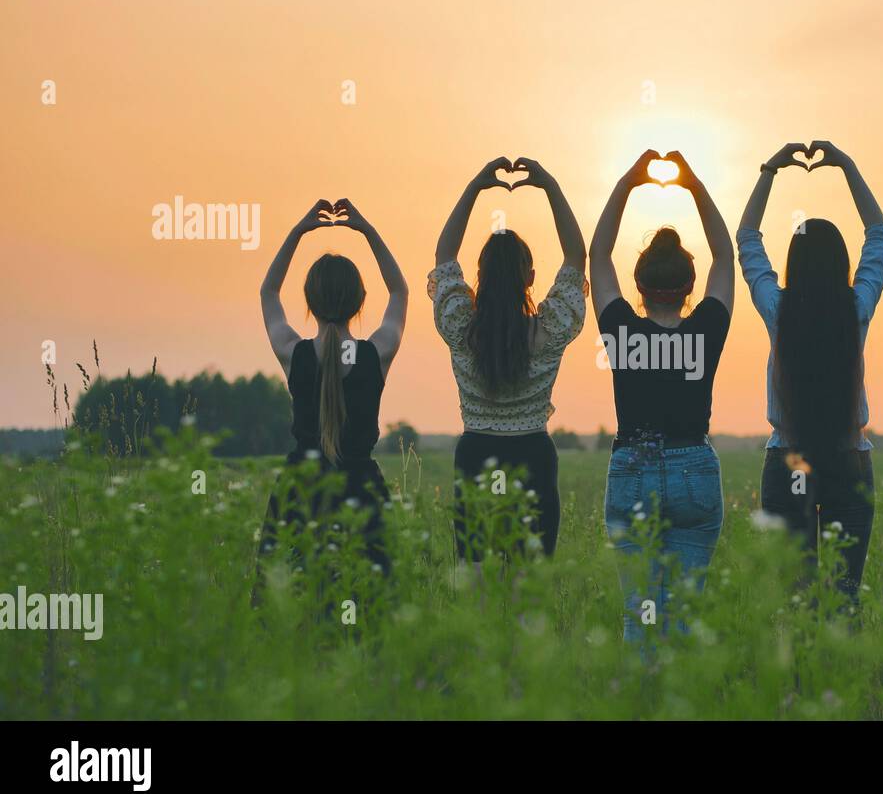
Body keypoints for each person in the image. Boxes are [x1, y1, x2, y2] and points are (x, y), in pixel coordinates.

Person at [589, 149, 734, 643]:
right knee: (685, 617)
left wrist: (630, 182)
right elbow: (726, 255)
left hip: (634, 463)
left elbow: (598, 255)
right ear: (691, 285)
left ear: (639, 286)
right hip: (695, 465)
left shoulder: (621, 330)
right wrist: (692, 184)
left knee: (641, 615)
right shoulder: (707, 329)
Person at [737, 140, 883, 606]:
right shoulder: (856, 308)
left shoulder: (780, 310)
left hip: (787, 463)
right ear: (841, 264)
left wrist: (770, 170)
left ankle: (801, 681)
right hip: (848, 460)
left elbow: (747, 238)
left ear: (794, 263)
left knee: (798, 603)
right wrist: (847, 165)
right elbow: (878, 234)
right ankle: (841, 680)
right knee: (845, 600)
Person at [429, 157, 587, 561]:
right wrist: (550, 185)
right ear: (530, 278)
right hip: (533, 456)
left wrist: (474, 188)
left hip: (477, 454)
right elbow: (575, 257)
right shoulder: (547, 331)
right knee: (528, 588)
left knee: (477, 586)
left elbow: (444, 255)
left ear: (478, 276)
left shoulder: (460, 326)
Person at [256, 198, 408, 595]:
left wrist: (299, 231)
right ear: (361, 300)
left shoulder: (295, 354)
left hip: (300, 493)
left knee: (291, 613)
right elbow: (399, 291)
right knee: (369, 612)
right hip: (363, 495)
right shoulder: (376, 354)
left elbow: (269, 291)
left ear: (308, 301)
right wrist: (367, 230)